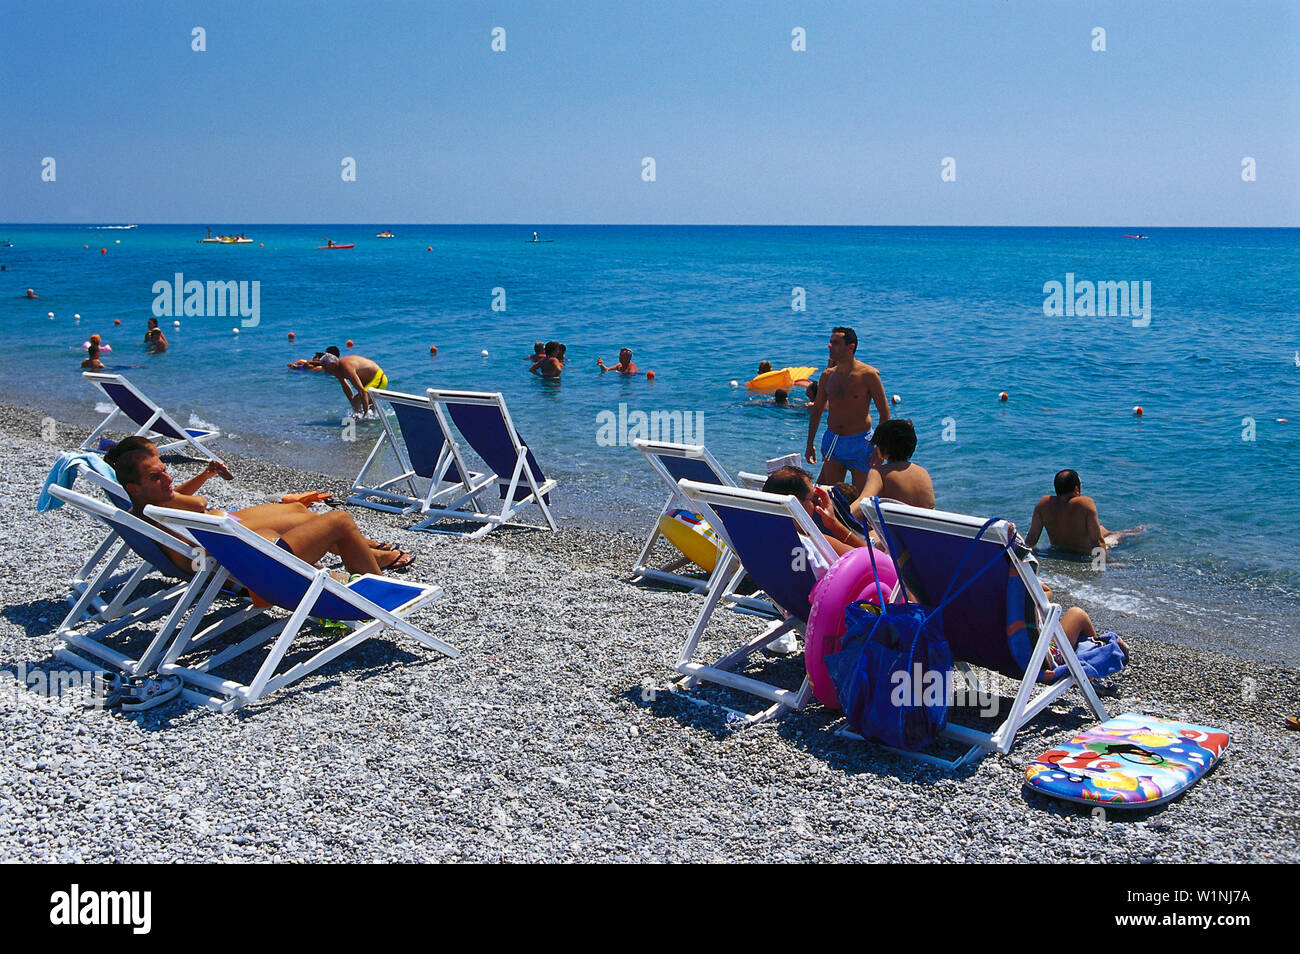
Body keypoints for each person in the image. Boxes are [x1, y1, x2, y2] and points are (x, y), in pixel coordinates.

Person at [107, 442, 414, 575]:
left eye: (164, 470)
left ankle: (367, 554)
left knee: (299, 515)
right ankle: (372, 596)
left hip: (239, 555)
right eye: (155, 477)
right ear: (134, 488)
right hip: (251, 567)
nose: (167, 478)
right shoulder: (163, 511)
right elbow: (201, 510)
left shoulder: (147, 510)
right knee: (339, 519)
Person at [805, 327, 890, 494]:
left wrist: (879, 447)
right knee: (832, 495)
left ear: (850, 347)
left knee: (861, 498)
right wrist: (810, 444)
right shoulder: (827, 375)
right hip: (834, 440)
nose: (829, 346)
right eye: (830, 342)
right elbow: (816, 411)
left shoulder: (868, 375)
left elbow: (884, 415)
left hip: (861, 442)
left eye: (835, 343)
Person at [1025, 469, 1141, 556]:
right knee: (1121, 535)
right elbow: (1097, 540)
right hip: (1085, 552)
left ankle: (1120, 532)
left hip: (1059, 548)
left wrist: (1023, 554)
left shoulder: (1044, 503)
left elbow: (1032, 537)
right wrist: (1104, 563)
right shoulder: (1085, 503)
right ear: (1076, 489)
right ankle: (1141, 530)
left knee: (1102, 529)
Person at [762, 465, 867, 557]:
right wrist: (834, 524)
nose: (817, 503)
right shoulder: (817, 543)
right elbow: (873, 558)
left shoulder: (758, 538)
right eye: (813, 498)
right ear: (796, 504)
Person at [852, 418, 935, 512]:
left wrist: (839, 518)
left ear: (884, 448)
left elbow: (863, 502)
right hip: (925, 525)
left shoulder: (879, 473)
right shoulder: (923, 472)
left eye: (877, 445)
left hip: (898, 525)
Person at [319, 350, 388, 416]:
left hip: (378, 378)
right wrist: (352, 402)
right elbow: (345, 387)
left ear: (333, 364)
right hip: (367, 381)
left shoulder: (346, 368)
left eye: (325, 368)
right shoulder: (336, 370)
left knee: (358, 402)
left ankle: (363, 419)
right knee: (363, 405)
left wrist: (364, 412)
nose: (325, 371)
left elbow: (361, 391)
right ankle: (369, 421)